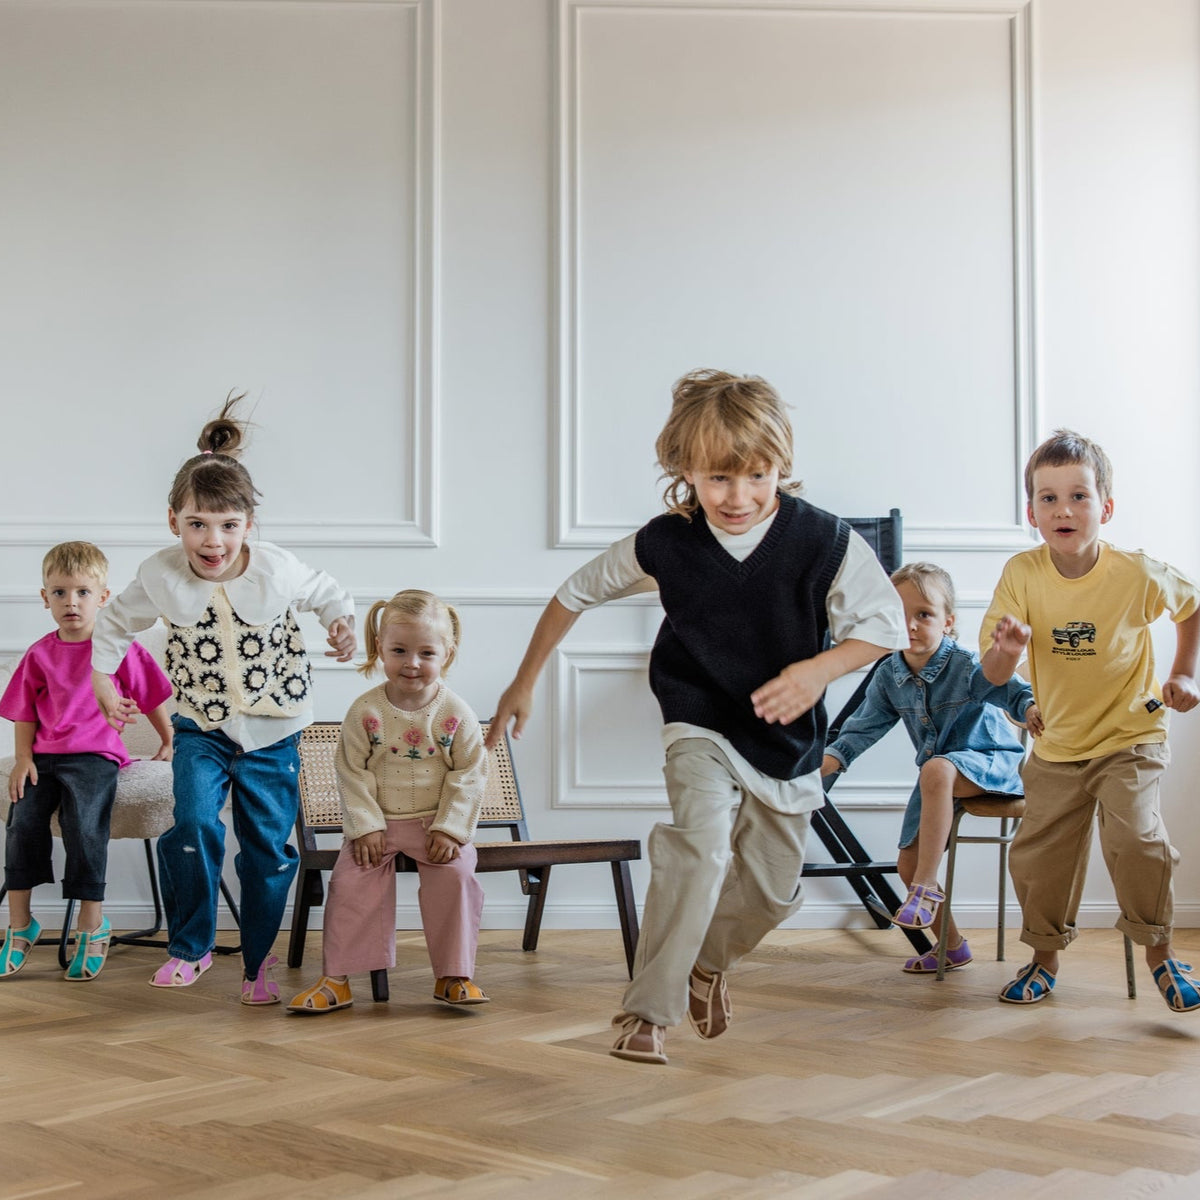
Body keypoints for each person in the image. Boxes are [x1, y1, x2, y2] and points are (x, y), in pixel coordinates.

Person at [487, 368, 906, 1064]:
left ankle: (706, 966)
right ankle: (646, 1013)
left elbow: (884, 626)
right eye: (717, 479)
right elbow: (572, 594)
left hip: (785, 737)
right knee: (699, 848)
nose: (737, 497)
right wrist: (523, 682)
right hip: (698, 717)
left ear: (781, 467)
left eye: (755, 477)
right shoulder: (665, 542)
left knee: (773, 893)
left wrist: (817, 670)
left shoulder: (824, 541)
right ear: (684, 470)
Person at [90, 394, 357, 1004]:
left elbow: (328, 591)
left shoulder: (277, 569)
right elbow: (111, 626)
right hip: (200, 728)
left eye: (229, 525)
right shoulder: (159, 576)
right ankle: (193, 946)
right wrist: (104, 680)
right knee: (190, 825)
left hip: (274, 730)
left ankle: (257, 963)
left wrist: (341, 624)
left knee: (266, 850)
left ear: (248, 525)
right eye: (197, 525)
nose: (214, 541)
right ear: (173, 521)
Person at [980, 429, 1200, 1010]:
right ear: (1031, 512)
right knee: (1037, 855)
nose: (1064, 509)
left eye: (1079, 496)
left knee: (1138, 840)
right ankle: (1045, 959)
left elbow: (1192, 606)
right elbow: (996, 674)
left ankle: (1162, 956)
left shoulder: (1136, 573)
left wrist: (1183, 675)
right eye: (1048, 498)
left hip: (1132, 736)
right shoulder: (1022, 574)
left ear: (1105, 507)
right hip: (1056, 746)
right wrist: (1009, 646)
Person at [821, 562, 1038, 974]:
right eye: (899, 615)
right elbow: (857, 734)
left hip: (991, 764)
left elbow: (1010, 689)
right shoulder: (889, 675)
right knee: (906, 861)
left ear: (948, 621)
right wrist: (817, 768)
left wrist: (1028, 709)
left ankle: (925, 887)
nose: (911, 625)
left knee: (936, 769)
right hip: (939, 778)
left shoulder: (965, 663)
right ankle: (951, 946)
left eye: (923, 614)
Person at [287, 590, 489, 1014]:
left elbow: (469, 772)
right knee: (350, 881)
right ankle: (338, 979)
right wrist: (365, 826)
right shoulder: (365, 710)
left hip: (435, 826)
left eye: (426, 653)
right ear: (380, 649)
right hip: (378, 825)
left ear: (447, 653)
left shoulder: (455, 712)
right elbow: (351, 770)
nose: (411, 663)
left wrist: (451, 828)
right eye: (399, 650)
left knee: (456, 877)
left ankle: (454, 974)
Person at [1, 541, 172, 981]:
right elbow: (24, 711)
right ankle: (20, 926)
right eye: (59, 593)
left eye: (81, 592)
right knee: (22, 821)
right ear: (45, 599)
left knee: (84, 824)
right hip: (44, 757)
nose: (70, 602)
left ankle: (91, 925)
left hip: (95, 757)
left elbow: (151, 695)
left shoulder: (115, 648)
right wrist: (23, 759)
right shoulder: (40, 654)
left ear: (103, 596)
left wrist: (168, 739)